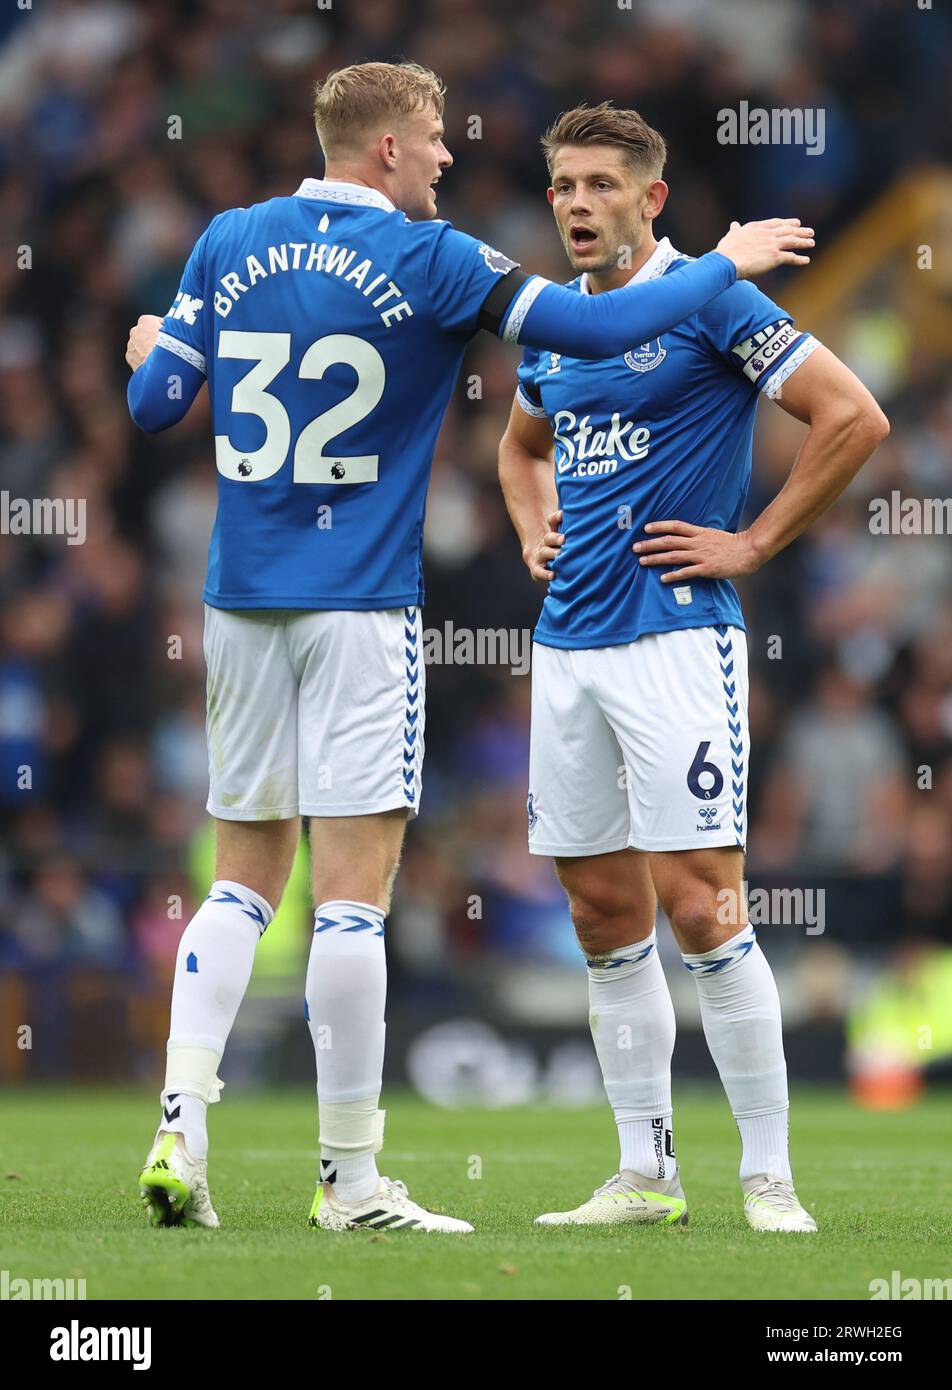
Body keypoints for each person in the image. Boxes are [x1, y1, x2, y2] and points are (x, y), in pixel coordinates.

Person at [126, 63, 813, 1235]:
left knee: (240, 877)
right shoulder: (432, 258)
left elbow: (151, 405)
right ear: (387, 150)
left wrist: (150, 340)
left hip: (238, 606)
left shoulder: (227, 239)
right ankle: (348, 1181)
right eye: (436, 139)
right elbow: (598, 321)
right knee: (351, 900)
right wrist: (722, 261)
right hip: (360, 607)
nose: (450, 156)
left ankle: (181, 1126)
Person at [498, 102, 888, 1233]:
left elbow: (851, 415)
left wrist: (756, 541)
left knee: (707, 907)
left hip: (676, 639)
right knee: (601, 911)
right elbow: (519, 447)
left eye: (600, 185)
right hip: (568, 647)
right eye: (564, 184)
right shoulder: (554, 322)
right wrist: (532, 526)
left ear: (650, 198)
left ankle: (768, 1177)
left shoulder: (714, 296)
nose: (576, 204)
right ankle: (644, 1173)